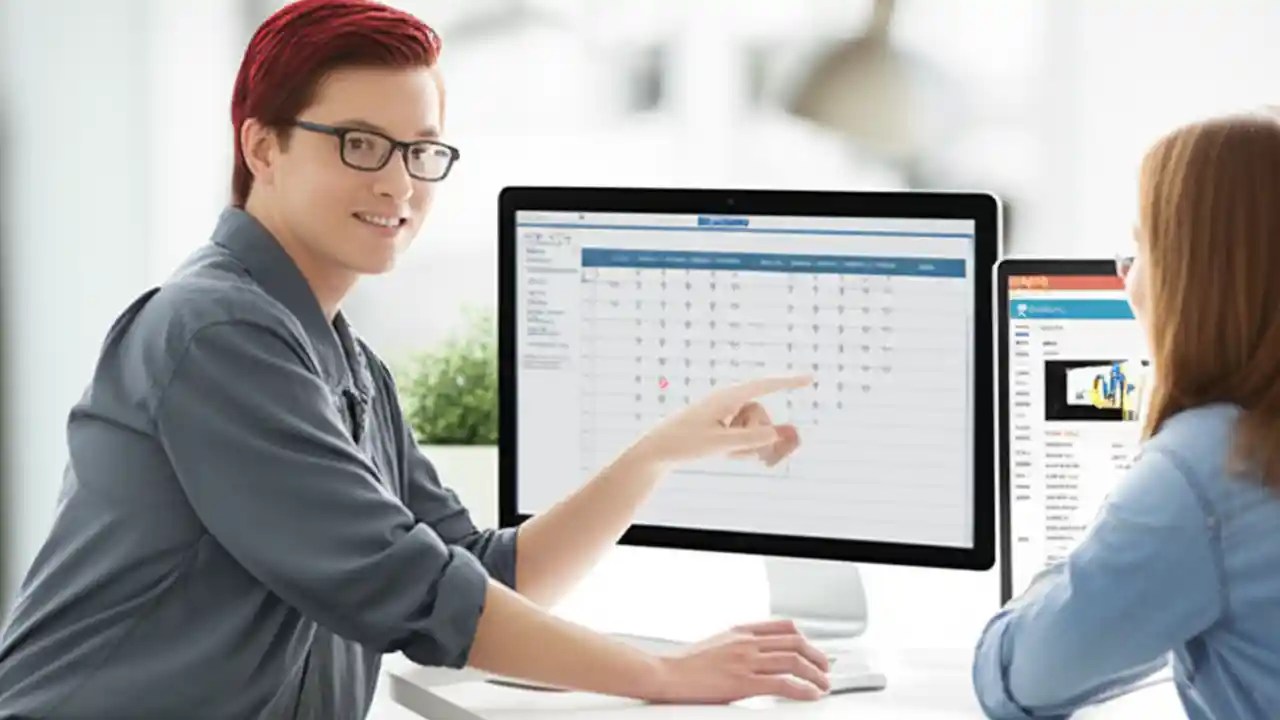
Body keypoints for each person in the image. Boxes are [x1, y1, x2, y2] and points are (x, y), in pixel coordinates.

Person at [0, 1, 829, 717]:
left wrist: (656, 455)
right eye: (360, 144)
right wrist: (662, 675)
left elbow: (484, 575)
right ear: (262, 147)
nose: (399, 184)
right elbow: (413, 594)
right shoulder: (217, 333)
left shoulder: (342, 360)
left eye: (420, 150)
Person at [972, 112, 1280, 719]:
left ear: (1197, 278)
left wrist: (1088, 557)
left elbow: (1018, 678)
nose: (1126, 276)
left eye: (1141, 248)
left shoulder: (1212, 466)